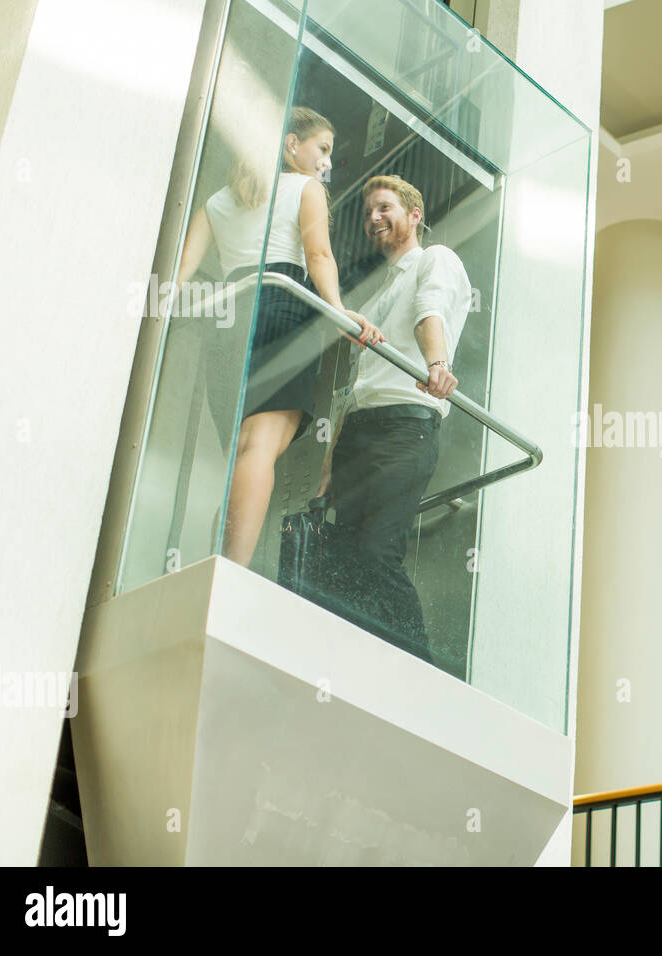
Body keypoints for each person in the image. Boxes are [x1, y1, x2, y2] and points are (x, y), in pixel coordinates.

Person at [177, 106, 384, 566]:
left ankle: (215, 565)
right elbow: (319, 255)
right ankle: (229, 571)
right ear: (292, 144)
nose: (327, 162)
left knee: (242, 456)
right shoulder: (305, 188)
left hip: (228, 321)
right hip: (282, 310)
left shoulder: (216, 202)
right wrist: (338, 312)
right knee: (260, 450)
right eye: (323, 149)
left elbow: (180, 273)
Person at [316, 175, 471, 661]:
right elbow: (354, 390)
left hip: (405, 426)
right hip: (359, 431)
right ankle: (357, 662)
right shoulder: (378, 297)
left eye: (384, 208)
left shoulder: (435, 259)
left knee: (376, 554)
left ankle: (420, 671)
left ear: (415, 215)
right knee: (340, 560)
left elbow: (432, 312)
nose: (373, 219)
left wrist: (438, 365)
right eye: (367, 214)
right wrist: (325, 474)